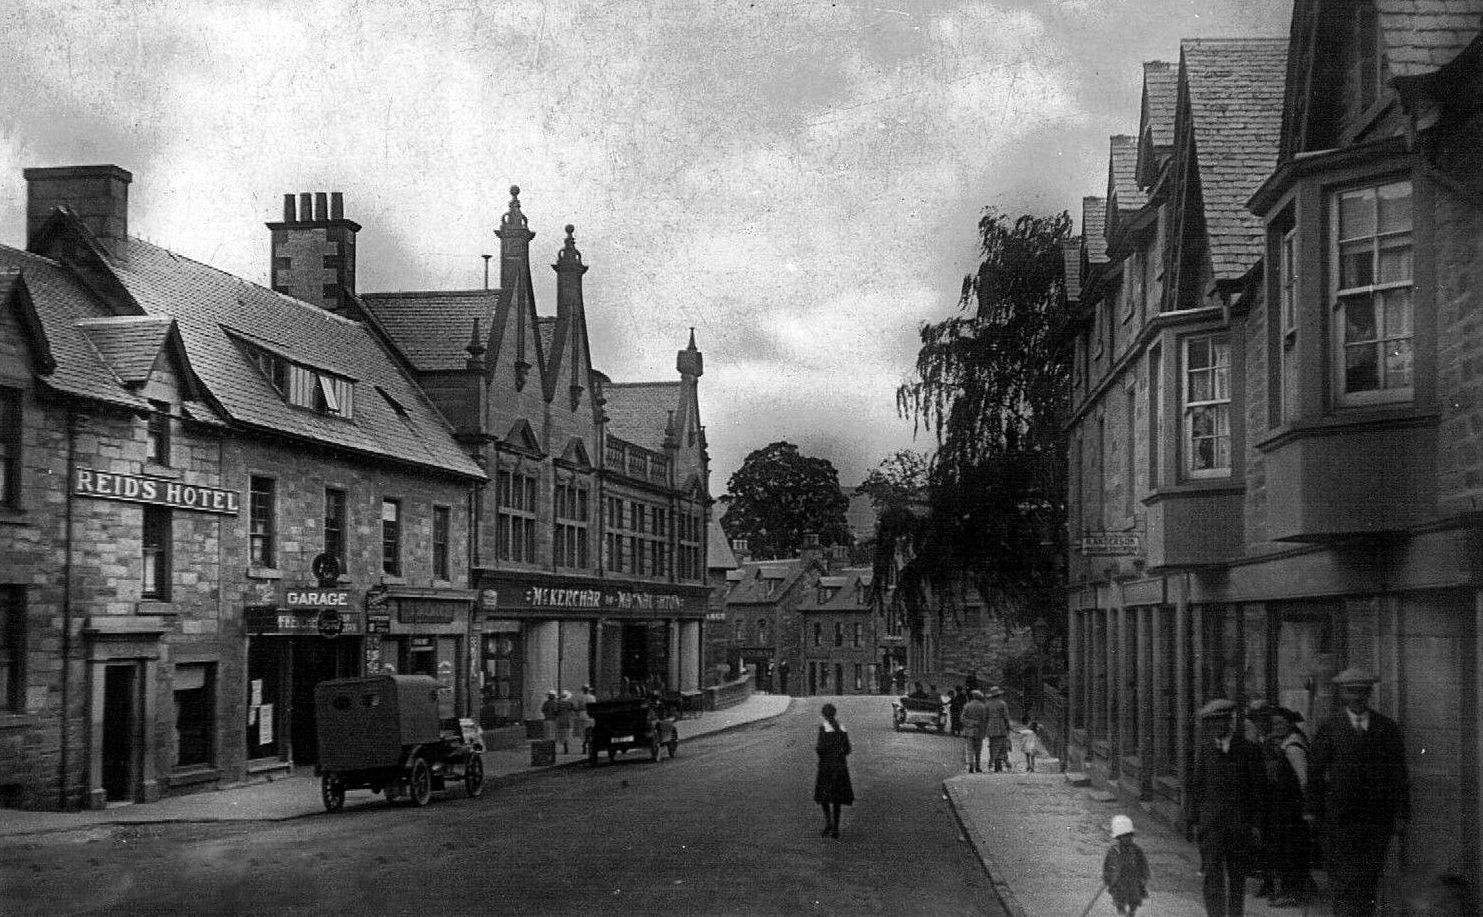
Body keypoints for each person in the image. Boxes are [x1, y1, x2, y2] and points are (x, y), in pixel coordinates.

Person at [1305, 668, 1409, 917]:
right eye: (1351, 691)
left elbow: (1399, 775)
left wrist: (1402, 814)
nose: (1357, 697)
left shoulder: (1387, 729)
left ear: (1370, 693)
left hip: (1376, 821)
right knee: (1342, 882)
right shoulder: (1330, 728)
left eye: (1362, 691)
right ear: (1343, 695)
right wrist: (1311, 811)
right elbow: (1316, 773)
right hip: (1339, 821)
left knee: (1368, 881)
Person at [1186, 698, 1263, 917]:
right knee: (1212, 876)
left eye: (1218, 723)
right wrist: (1193, 821)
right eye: (1210, 724)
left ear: (1228, 722)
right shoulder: (1206, 751)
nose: (1213, 728)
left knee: (1237, 877)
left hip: (1239, 827)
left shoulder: (1248, 751)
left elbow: (1258, 791)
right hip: (1211, 827)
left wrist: (1256, 824)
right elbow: (1197, 788)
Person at [1264, 706, 1312, 907]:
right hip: (1284, 808)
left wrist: (1307, 808)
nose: (1276, 727)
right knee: (1286, 850)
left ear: (1290, 725)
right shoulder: (1284, 745)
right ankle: (1291, 890)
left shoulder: (1293, 748)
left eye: (1281, 723)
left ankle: (1292, 892)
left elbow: (1304, 780)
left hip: (1292, 810)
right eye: (1274, 724)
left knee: (1290, 850)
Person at [813, 703, 854, 839]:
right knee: (837, 798)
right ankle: (836, 827)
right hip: (840, 766)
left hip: (826, 766)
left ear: (824, 715)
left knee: (824, 796)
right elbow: (848, 749)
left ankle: (828, 822)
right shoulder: (842, 728)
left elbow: (820, 748)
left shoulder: (823, 728)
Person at [1103, 814, 1150, 916]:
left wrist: (1144, 876)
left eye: (1130, 835)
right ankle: (1121, 912)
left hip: (1134, 880)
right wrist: (1107, 878)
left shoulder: (1137, 850)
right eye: (1125, 836)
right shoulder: (1114, 851)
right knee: (1119, 900)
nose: (1128, 838)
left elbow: (1143, 864)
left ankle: (1131, 912)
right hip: (1119, 881)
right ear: (1119, 837)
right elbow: (1107, 865)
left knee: (1134, 899)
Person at [983, 686, 1012, 772]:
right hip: (1001, 726)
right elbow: (1006, 716)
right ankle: (1000, 763)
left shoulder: (987, 704)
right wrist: (1008, 726)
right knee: (1002, 745)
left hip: (991, 727)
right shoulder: (1002, 704)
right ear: (999, 695)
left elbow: (985, 717)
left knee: (992, 745)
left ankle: (993, 762)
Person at [961, 689, 989, 773]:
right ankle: (978, 766)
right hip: (979, 730)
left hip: (969, 730)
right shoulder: (983, 707)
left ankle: (971, 766)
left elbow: (962, 718)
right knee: (978, 750)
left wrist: (969, 723)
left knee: (969, 749)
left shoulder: (967, 705)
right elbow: (985, 719)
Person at [576, 684, 597, 754]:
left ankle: (584, 745)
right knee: (590, 731)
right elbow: (594, 706)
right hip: (589, 714)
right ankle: (589, 746)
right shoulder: (592, 697)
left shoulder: (580, 698)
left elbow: (578, 707)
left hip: (582, 714)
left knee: (582, 732)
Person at [555, 689, 576, 754]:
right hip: (568, 720)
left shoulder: (558, 704)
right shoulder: (570, 704)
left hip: (560, 720)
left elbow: (556, 712)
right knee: (567, 734)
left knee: (561, 734)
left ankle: (562, 747)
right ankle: (566, 747)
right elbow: (575, 710)